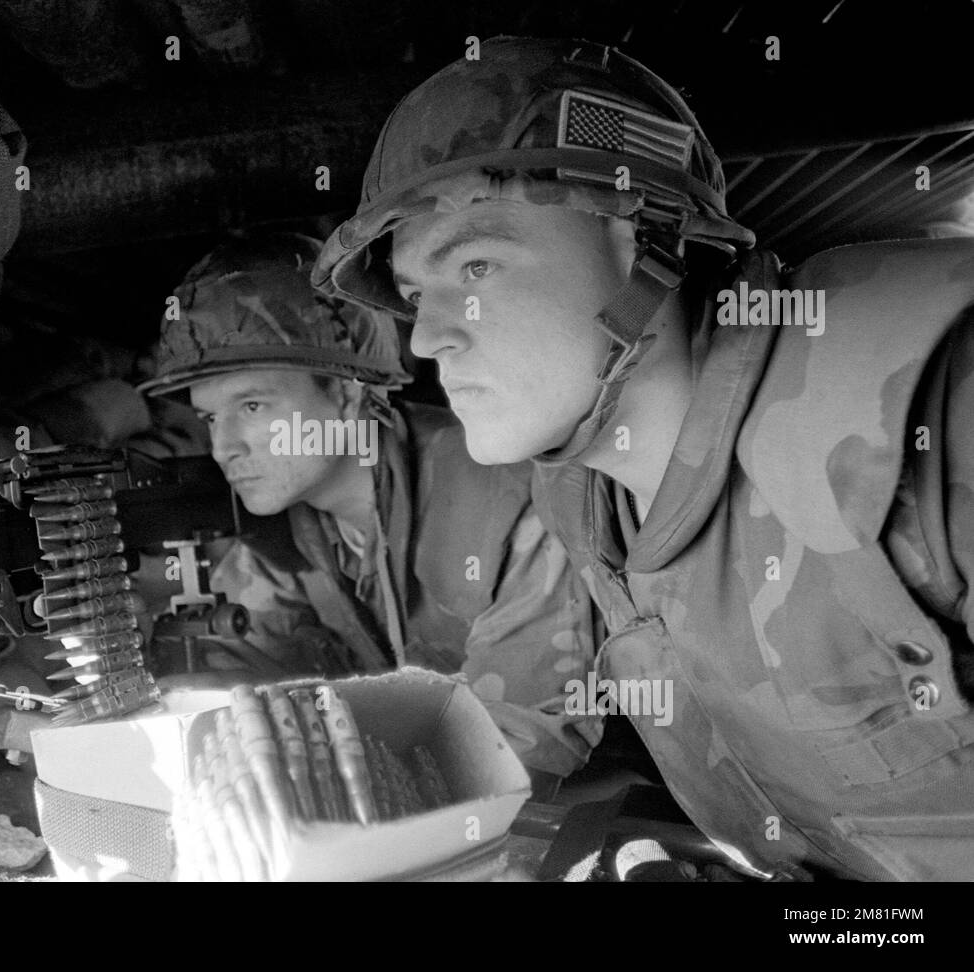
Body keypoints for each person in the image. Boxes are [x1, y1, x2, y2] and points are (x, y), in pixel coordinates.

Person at [313, 35, 974, 881]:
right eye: (413, 297)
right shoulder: (580, 497)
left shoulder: (927, 400)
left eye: (475, 263)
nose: (429, 337)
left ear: (647, 242)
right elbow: (507, 724)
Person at [138, 232, 599, 788]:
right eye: (211, 417)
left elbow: (519, 748)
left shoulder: (503, 496)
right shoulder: (279, 529)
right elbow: (248, 679)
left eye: (252, 405)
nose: (225, 446)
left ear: (349, 393)